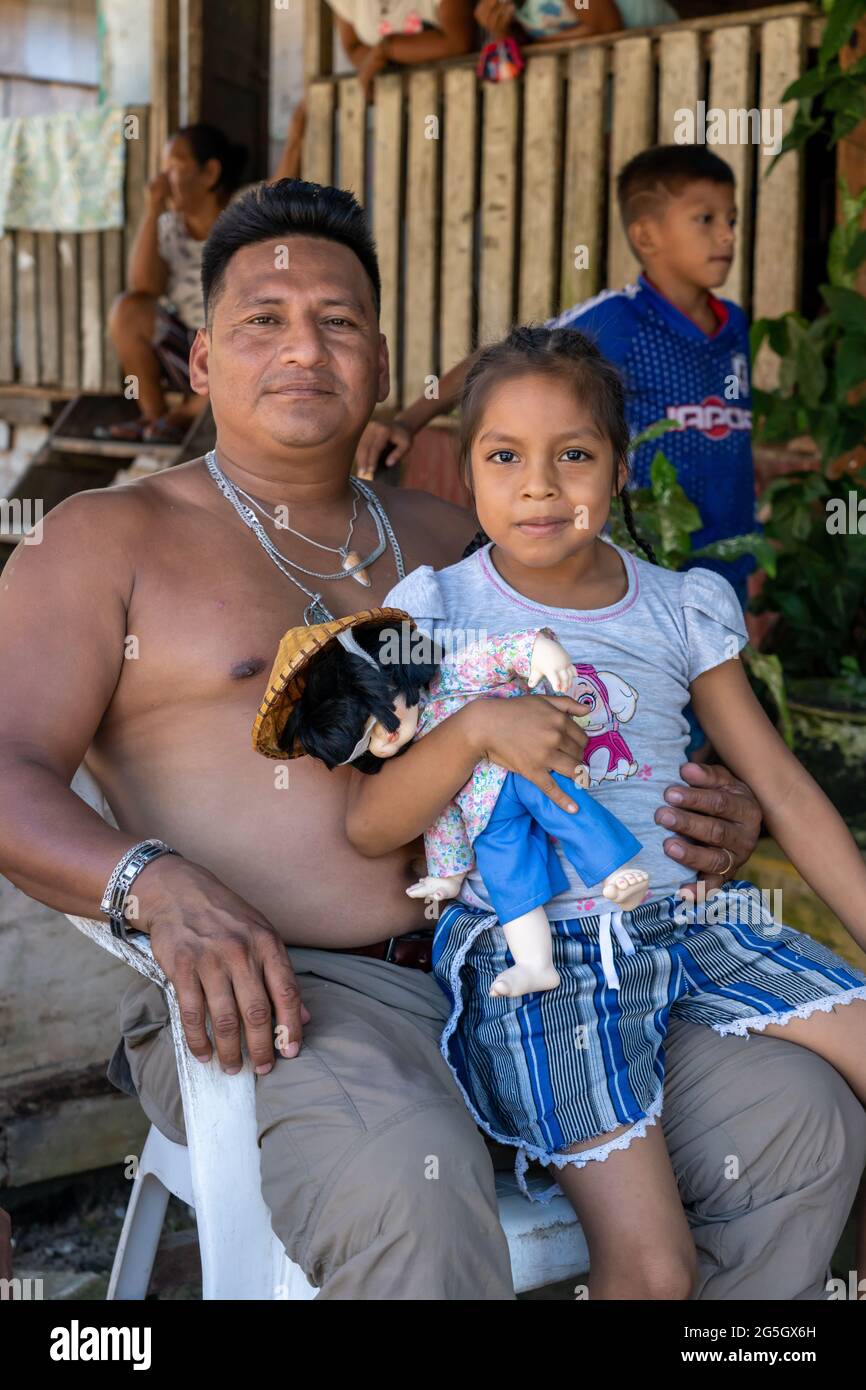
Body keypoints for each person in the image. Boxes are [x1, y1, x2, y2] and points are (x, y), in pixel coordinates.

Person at [0, 180, 861, 1300]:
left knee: (801, 1123)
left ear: (382, 359)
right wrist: (152, 883)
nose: (304, 345)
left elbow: (613, 715)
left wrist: (716, 809)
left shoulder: (463, 541)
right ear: (202, 360)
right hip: (289, 992)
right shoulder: (106, 537)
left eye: (339, 320)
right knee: (408, 1192)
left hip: (544, 960)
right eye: (262, 318)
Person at [350, 324, 866, 1297]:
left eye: (572, 454)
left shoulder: (678, 606)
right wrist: (471, 734)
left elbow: (784, 787)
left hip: (689, 923)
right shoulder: (434, 610)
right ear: (466, 470)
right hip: (542, 959)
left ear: (620, 465)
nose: (538, 484)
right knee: (654, 1271)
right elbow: (371, 827)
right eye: (505, 455)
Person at [359, 145, 753, 606]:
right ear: (647, 235)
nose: (726, 235)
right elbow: (504, 360)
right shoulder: (620, 320)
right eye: (705, 219)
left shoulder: (735, 324)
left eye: (732, 219)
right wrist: (409, 422)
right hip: (646, 555)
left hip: (729, 551)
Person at [105, 123, 247, 444]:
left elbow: (282, 183)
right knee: (126, 310)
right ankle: (152, 417)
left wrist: (295, 134)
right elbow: (143, 288)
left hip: (236, 355)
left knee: (239, 335)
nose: (162, 179)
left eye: (174, 167)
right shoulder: (168, 226)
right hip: (188, 352)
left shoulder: (243, 213)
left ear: (210, 173)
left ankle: (181, 417)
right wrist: (153, 208)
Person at [272, 0, 475, 181]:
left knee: (460, 184)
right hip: (398, 114)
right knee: (413, 193)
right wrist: (376, 63)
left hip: (459, 102)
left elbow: (458, 41)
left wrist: (385, 50)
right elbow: (354, 48)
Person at [473, 0, 679, 50]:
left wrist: (534, 47)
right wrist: (499, 29)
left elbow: (606, 27)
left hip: (661, 43)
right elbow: (515, 51)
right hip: (614, 59)